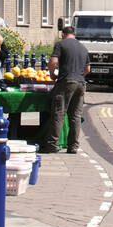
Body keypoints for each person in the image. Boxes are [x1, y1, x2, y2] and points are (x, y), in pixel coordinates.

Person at [41, 25, 88, 154]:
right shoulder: (83, 47)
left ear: (63, 34)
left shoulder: (60, 44)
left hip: (66, 82)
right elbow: (88, 69)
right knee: (76, 116)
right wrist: (79, 76)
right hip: (81, 83)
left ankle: (52, 145)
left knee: (59, 113)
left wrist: (52, 74)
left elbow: (53, 62)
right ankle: (73, 146)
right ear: (74, 34)